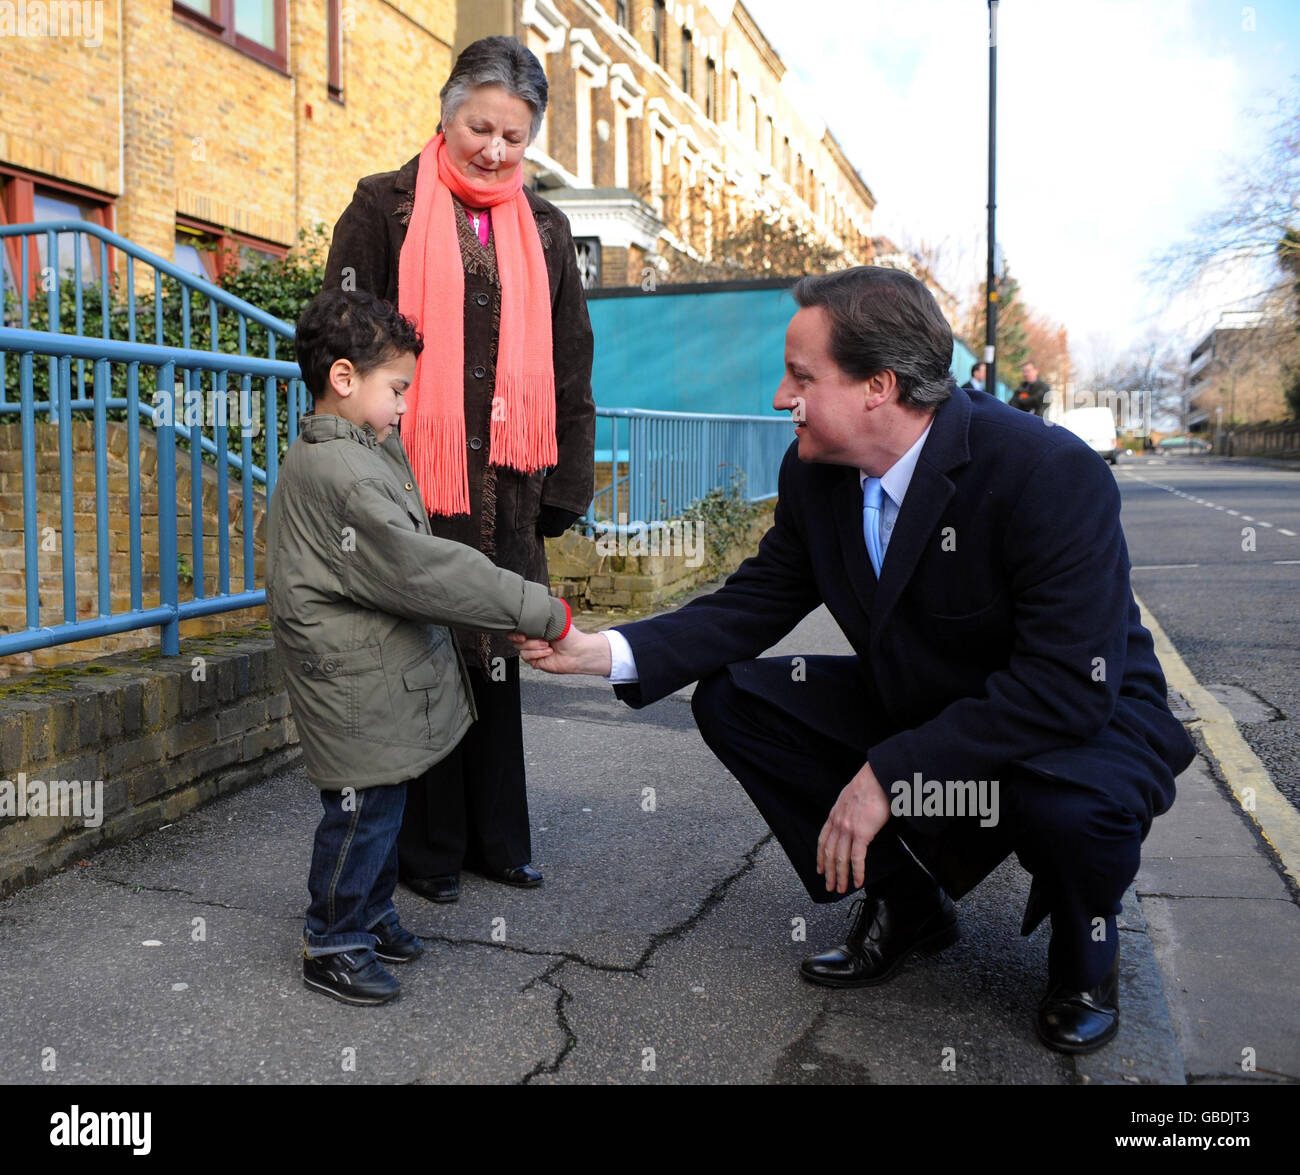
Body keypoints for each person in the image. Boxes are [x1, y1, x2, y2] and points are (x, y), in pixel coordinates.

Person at [517, 267, 1195, 1054]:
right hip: (929, 704)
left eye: (802, 377)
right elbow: (752, 604)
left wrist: (888, 775)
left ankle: (1085, 954)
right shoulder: (815, 475)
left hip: (1078, 726)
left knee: (1073, 810)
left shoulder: (1047, 473)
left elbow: (1063, 689)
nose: (779, 397)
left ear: (879, 385)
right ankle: (908, 901)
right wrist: (600, 649)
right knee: (734, 699)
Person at [323, 36, 595, 905]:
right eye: (481, 127)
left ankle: (498, 840)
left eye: (514, 136)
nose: (495, 149)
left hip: (507, 483)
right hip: (409, 473)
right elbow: (342, 342)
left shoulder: (546, 229)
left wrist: (565, 488)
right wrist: (357, 468)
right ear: (447, 115)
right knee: (424, 654)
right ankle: (426, 851)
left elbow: (570, 364)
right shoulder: (384, 206)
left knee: (500, 653)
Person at [266, 288, 573, 1006]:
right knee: (358, 816)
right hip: (351, 680)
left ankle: (369, 915)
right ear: (344, 379)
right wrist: (532, 606)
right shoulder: (340, 473)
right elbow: (422, 566)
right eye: (396, 389)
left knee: (382, 804)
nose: (405, 405)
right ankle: (333, 939)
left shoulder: (365, 449)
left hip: (370, 671)